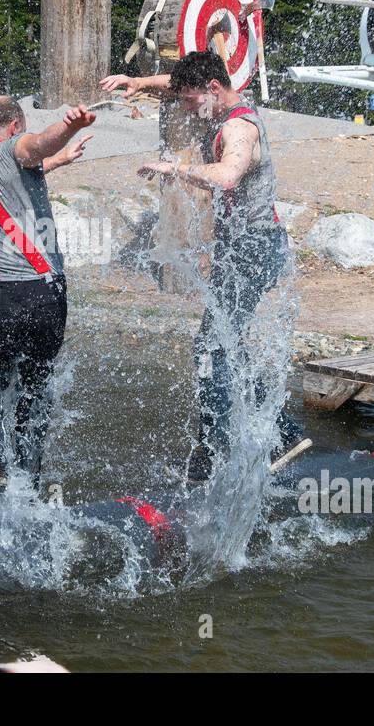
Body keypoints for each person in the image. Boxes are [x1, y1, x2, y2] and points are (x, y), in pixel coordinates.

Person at [101, 51, 292, 485]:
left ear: (212, 90)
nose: (185, 109)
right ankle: (284, 433)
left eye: (189, 101)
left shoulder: (239, 127)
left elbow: (227, 176)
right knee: (227, 343)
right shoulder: (215, 93)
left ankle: (212, 454)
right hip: (245, 248)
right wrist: (139, 82)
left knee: (210, 348)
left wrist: (176, 167)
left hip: (254, 249)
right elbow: (178, 81)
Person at [0, 96, 95, 508]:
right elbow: (36, 148)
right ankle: (29, 480)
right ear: (14, 126)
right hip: (46, 298)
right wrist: (70, 127)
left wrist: (61, 159)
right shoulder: (15, 148)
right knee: (34, 388)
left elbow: (26, 168)